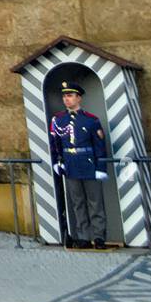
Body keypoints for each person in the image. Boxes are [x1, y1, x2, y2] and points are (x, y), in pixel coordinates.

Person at [49, 82, 109, 249]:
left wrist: (100, 168)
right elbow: (56, 145)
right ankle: (83, 236)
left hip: (89, 164)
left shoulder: (90, 120)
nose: (66, 99)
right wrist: (57, 162)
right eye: (64, 96)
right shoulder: (59, 120)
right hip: (71, 164)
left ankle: (98, 237)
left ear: (78, 98)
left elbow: (99, 146)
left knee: (95, 202)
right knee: (77, 203)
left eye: (69, 96)